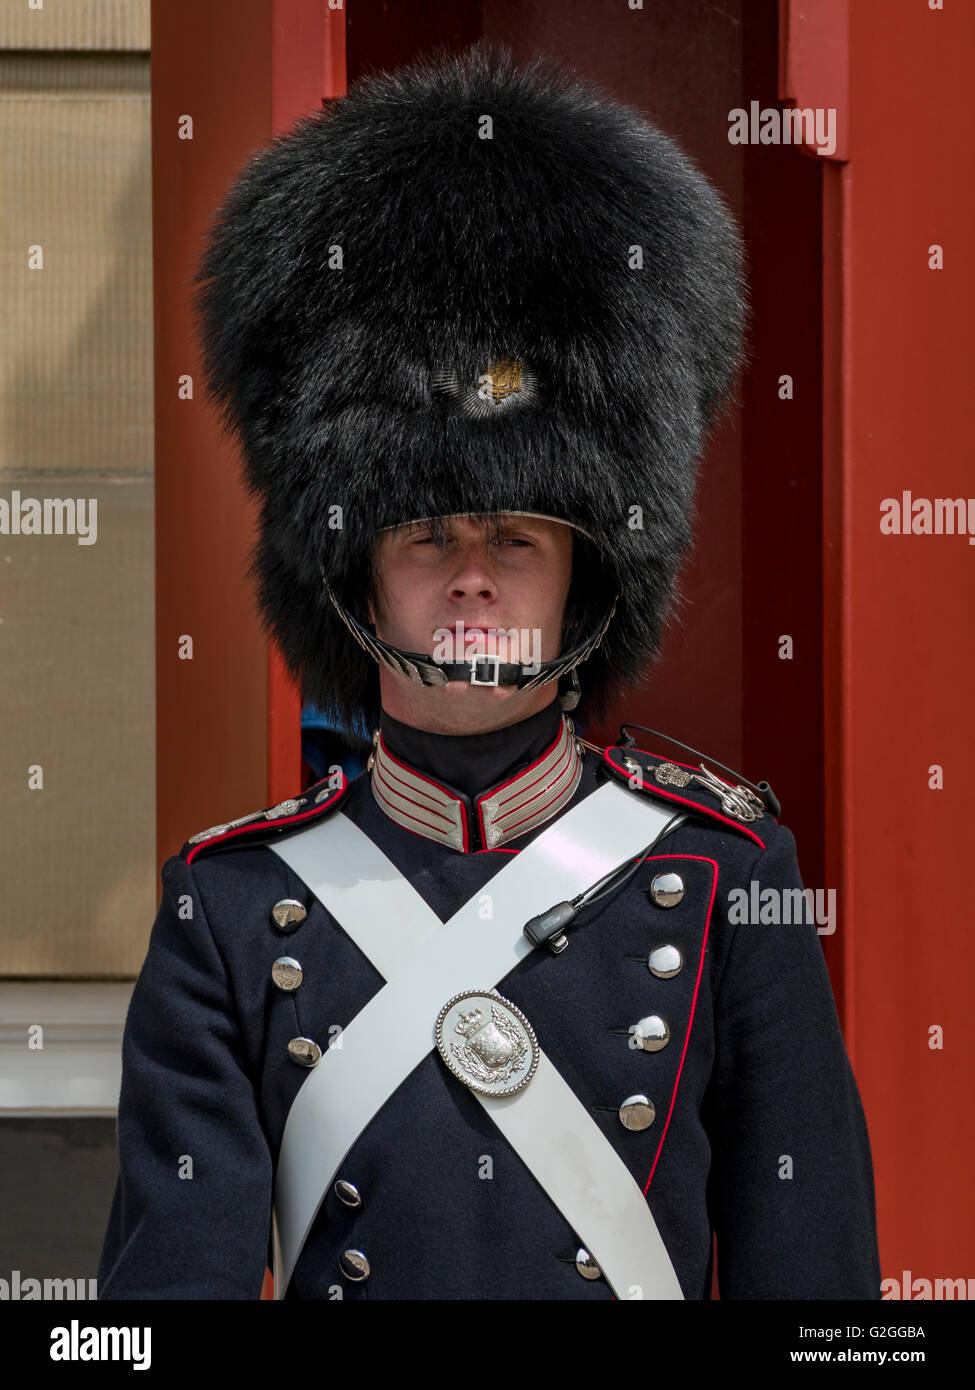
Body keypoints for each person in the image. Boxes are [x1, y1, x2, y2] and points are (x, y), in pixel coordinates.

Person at [97, 41, 881, 1300]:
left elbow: (817, 1282)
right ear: (355, 574)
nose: (472, 578)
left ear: (585, 574)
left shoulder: (726, 876)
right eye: (426, 535)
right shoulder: (231, 906)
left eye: (517, 536)